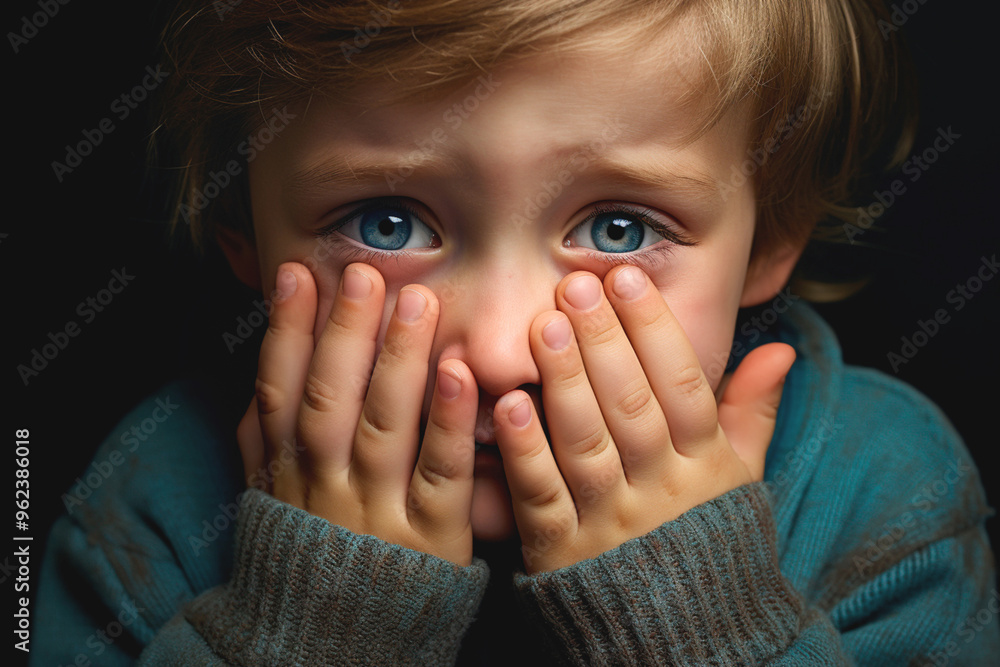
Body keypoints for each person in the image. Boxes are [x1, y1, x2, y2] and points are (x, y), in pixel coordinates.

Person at [33, 0, 998, 664]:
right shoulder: (153, 508)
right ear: (239, 231)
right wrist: (317, 624)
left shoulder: (885, 495)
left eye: (618, 230)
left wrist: (695, 621)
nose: (496, 351)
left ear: (770, 238)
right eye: (387, 223)